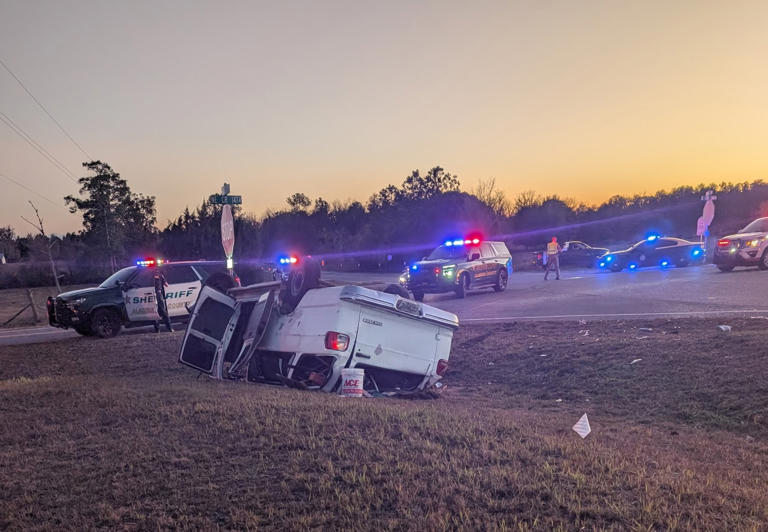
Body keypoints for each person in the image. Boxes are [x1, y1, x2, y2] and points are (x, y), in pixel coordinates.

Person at [153, 267, 173, 332]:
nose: (156, 272)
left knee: (160, 312)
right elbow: (166, 284)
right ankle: (168, 327)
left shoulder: (157, 276)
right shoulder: (160, 276)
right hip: (158, 295)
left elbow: (166, 284)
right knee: (161, 312)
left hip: (158, 295)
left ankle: (167, 327)